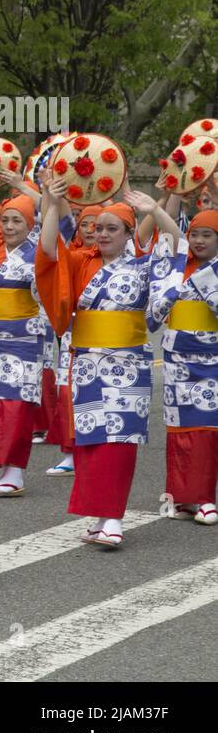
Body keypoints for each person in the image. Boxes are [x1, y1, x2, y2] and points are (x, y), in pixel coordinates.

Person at [35, 178, 181, 548]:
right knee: (92, 443)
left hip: (127, 366)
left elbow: (176, 247)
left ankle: (114, 519)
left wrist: (156, 211)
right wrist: (52, 203)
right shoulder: (81, 263)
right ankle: (101, 517)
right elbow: (48, 250)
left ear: (129, 233)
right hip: (87, 365)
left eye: (111, 228)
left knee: (119, 442)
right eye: (98, 228)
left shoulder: (144, 266)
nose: (101, 234)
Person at [0, 177, 46, 497]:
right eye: (6, 220)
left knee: (17, 404)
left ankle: (15, 470)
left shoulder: (41, 251)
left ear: (31, 225)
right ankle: (4, 468)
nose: (11, 226)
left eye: (18, 220)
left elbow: (53, 211)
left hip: (25, 339)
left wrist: (21, 185)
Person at [149, 208, 218, 523]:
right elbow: (171, 237)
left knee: (206, 431)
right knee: (180, 430)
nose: (199, 241)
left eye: (208, 235)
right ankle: (181, 499)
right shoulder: (178, 268)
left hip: (211, 359)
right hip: (177, 359)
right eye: (195, 234)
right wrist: (155, 210)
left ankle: (205, 499)